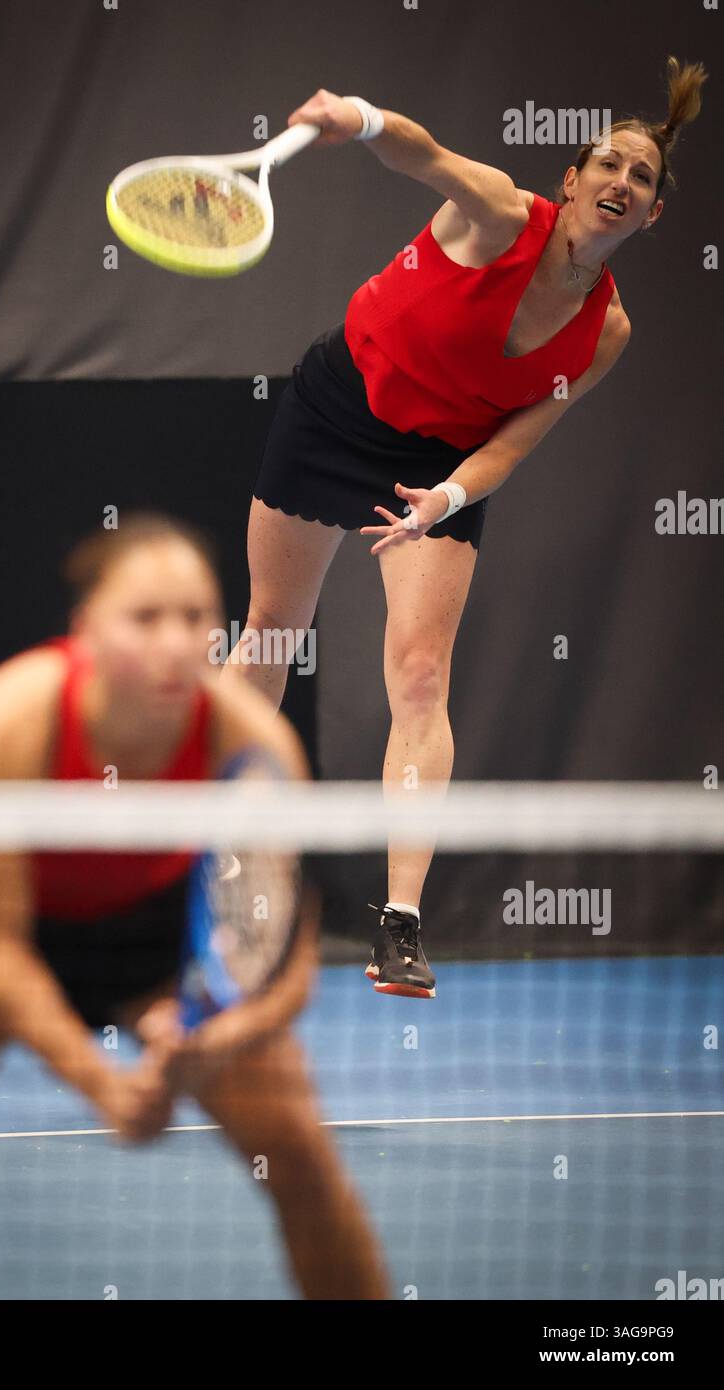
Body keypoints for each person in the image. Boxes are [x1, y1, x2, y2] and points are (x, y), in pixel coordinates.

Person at [220, 57, 707, 999]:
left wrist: (445, 500)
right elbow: (423, 152)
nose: (622, 182)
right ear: (572, 180)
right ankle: (212, 836)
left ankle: (399, 922)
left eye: (642, 179)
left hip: (438, 469)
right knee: (272, 631)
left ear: (651, 217)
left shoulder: (607, 331)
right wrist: (354, 115)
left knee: (422, 674)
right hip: (335, 410)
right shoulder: (497, 212)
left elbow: (514, 443)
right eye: (609, 164)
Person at [0, 513, 388, 1300]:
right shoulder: (1, 725)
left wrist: (210, 1044)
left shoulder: (252, 750)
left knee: (298, 1152)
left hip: (152, 933)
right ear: (86, 631)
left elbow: (287, 972)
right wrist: (102, 1084)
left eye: (194, 618)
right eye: (145, 618)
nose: (176, 642)